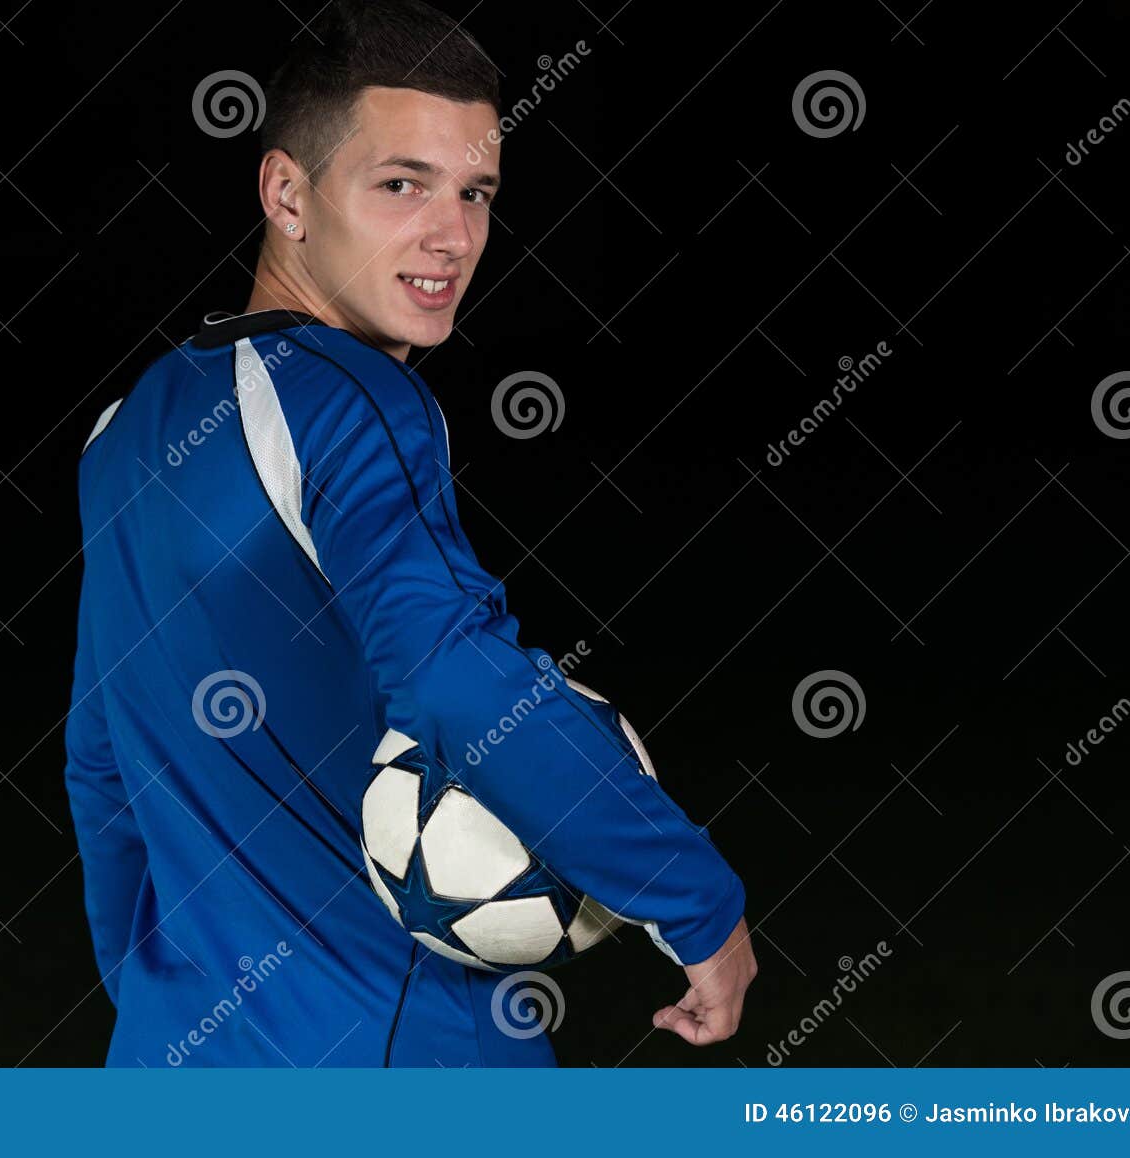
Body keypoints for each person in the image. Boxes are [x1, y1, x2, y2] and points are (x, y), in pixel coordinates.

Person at [64, 0, 755, 1067]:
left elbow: (101, 761)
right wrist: (694, 901)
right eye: (401, 185)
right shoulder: (351, 397)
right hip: (398, 1050)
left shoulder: (123, 427)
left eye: (475, 192)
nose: (453, 237)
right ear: (286, 194)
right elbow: (452, 679)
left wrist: (150, 994)